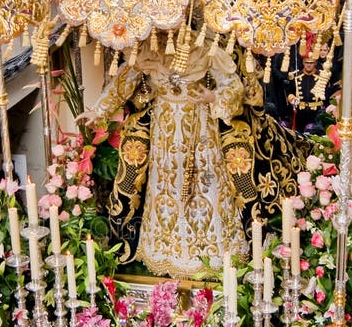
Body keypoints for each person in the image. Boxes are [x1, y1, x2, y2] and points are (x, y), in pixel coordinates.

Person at [83, 37, 248, 278]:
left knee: (205, 184)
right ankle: (166, 249)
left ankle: (212, 251)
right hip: (165, 132)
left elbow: (232, 85)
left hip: (200, 129)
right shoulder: (149, 51)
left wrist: (213, 98)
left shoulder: (204, 48)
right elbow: (124, 81)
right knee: (166, 185)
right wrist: (98, 110)